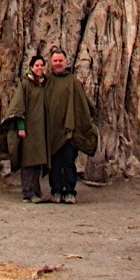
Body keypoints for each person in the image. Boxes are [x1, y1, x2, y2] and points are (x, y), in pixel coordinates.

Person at [44, 47, 97, 204]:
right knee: (54, 162)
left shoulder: (73, 81)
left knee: (68, 161)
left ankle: (70, 191)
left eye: (60, 61)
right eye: (55, 61)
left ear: (66, 62)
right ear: (51, 62)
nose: (58, 63)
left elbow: (83, 104)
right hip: (52, 130)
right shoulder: (47, 81)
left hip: (70, 131)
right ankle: (56, 190)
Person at [3, 54, 49, 203]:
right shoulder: (26, 84)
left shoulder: (44, 84)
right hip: (28, 129)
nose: (39, 68)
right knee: (28, 161)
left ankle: (36, 190)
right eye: (37, 65)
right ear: (31, 67)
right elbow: (18, 108)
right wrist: (20, 128)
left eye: (42, 65)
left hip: (40, 130)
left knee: (37, 161)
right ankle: (27, 192)